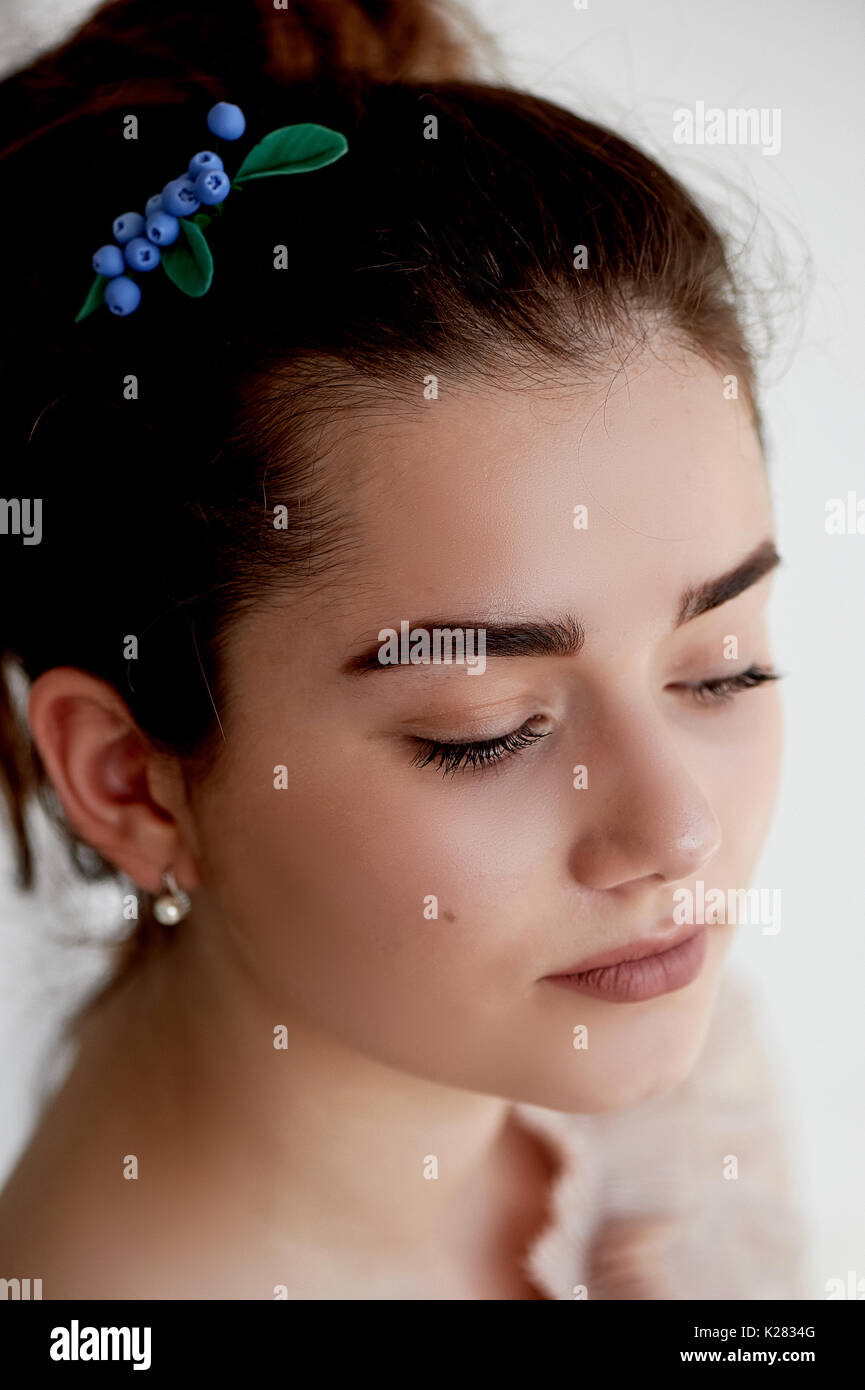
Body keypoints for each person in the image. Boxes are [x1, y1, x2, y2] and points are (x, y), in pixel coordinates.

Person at [0, 0, 805, 1298]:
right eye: (486, 728)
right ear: (134, 782)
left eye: (721, 667)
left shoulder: (658, 1082)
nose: (676, 831)